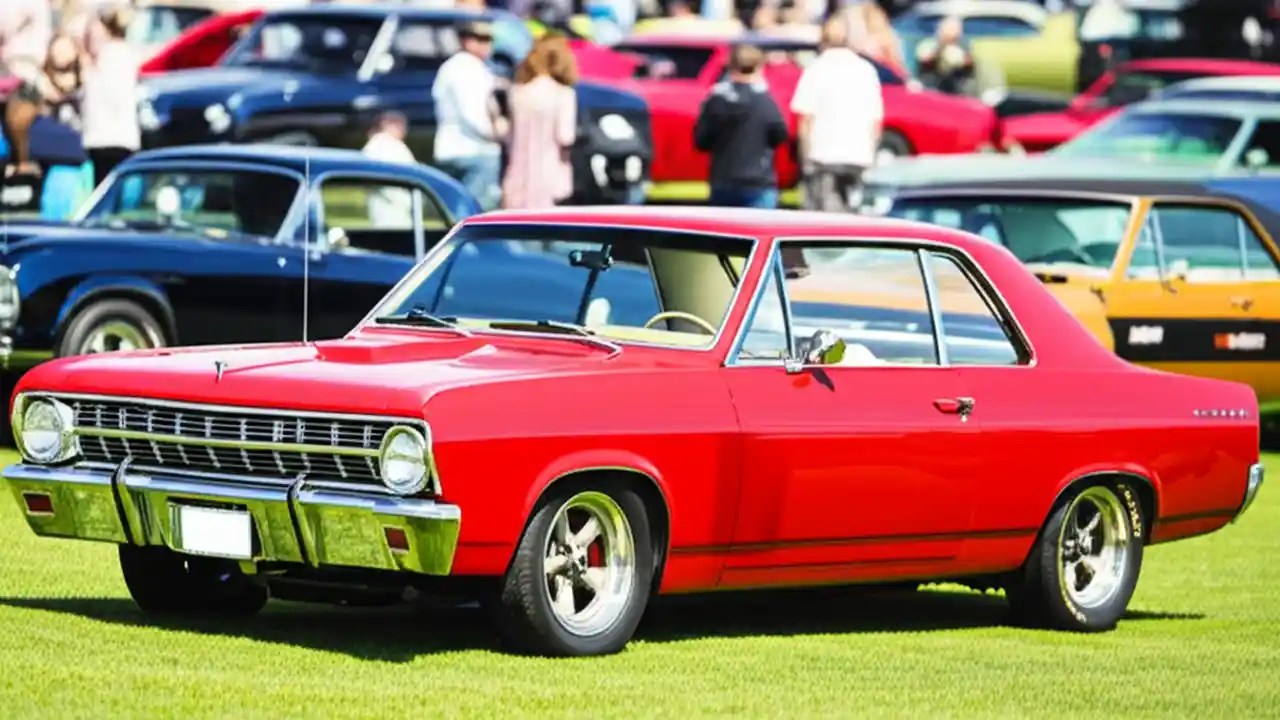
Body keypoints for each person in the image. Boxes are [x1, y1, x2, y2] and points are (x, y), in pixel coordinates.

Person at [791, 18, 882, 213]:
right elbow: (875, 122)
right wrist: (871, 157)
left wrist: (805, 161)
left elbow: (805, 120)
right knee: (854, 222)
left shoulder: (816, 69)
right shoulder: (866, 70)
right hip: (858, 157)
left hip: (824, 158)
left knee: (823, 224)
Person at [692, 43, 788, 208]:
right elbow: (780, 134)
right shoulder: (764, 101)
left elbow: (701, 140)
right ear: (759, 67)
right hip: (758, 181)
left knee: (725, 232)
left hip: (723, 180)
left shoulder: (716, 100)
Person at [432, 20, 506, 211]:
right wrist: (498, 133)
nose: (486, 44)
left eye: (489, 39)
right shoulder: (468, 70)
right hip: (475, 151)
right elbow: (474, 116)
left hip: (450, 148)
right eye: (480, 39)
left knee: (453, 211)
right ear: (466, 41)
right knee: (477, 214)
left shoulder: (451, 67)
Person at [503, 34, 578, 210]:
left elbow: (508, 136)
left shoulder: (517, 92)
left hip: (517, 178)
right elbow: (565, 137)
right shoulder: (563, 94)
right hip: (549, 177)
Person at [80, 3, 140, 187]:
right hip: (114, 138)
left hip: (108, 137)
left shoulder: (112, 55)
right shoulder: (122, 54)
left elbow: (106, 97)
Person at [1, 0, 53, 177]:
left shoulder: (37, 5)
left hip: (27, 69)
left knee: (18, 117)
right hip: (6, 68)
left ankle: (23, 162)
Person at [914, 15, 975, 95]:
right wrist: (941, 47)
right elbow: (926, 63)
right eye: (949, 29)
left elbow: (970, 66)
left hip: (957, 91)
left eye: (955, 30)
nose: (953, 33)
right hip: (931, 88)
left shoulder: (963, 47)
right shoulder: (927, 44)